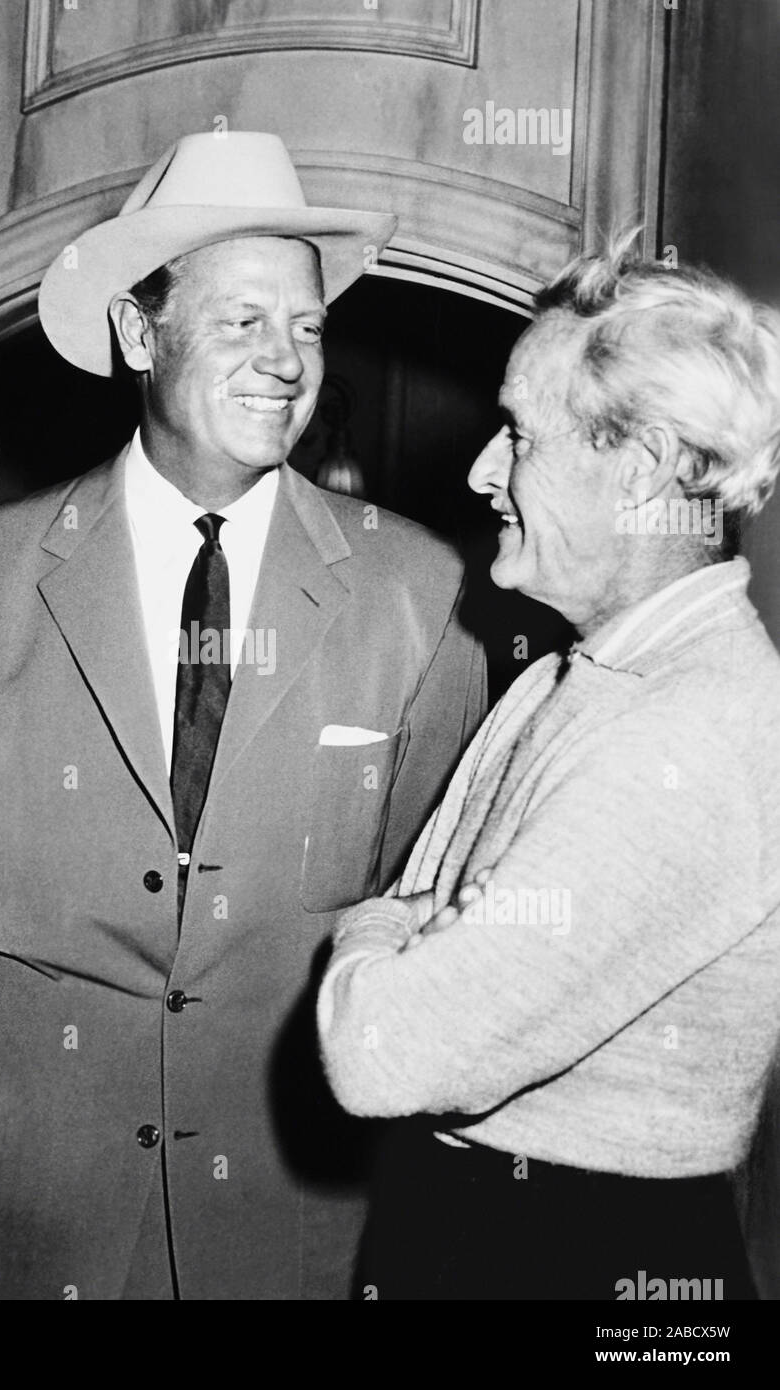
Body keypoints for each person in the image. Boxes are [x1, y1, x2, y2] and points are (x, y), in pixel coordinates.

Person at [0, 131, 487, 1299]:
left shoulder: (419, 589)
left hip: (286, 1215)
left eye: (306, 326)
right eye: (241, 320)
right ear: (136, 333)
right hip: (21, 1205)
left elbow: (423, 911)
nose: (285, 360)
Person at [319, 235, 780, 1300]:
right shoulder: (569, 678)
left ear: (643, 466)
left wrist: (373, 929)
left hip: (587, 1261)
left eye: (520, 434)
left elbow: (381, 1050)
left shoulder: (694, 728)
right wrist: (414, 928)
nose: (481, 470)